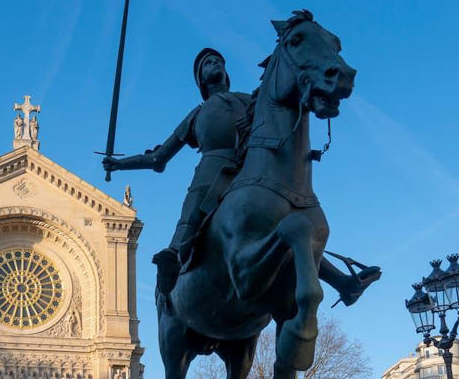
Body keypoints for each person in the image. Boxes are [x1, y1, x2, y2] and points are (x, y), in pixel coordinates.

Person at [104, 48, 380, 302]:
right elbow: (158, 158)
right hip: (213, 168)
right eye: (206, 64)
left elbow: (282, 113)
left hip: (252, 167)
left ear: (226, 70)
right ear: (201, 79)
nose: (213, 64)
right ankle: (175, 254)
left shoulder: (251, 101)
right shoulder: (197, 114)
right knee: (195, 202)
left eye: (217, 61)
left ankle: (343, 283)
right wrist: (118, 165)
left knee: (289, 219)